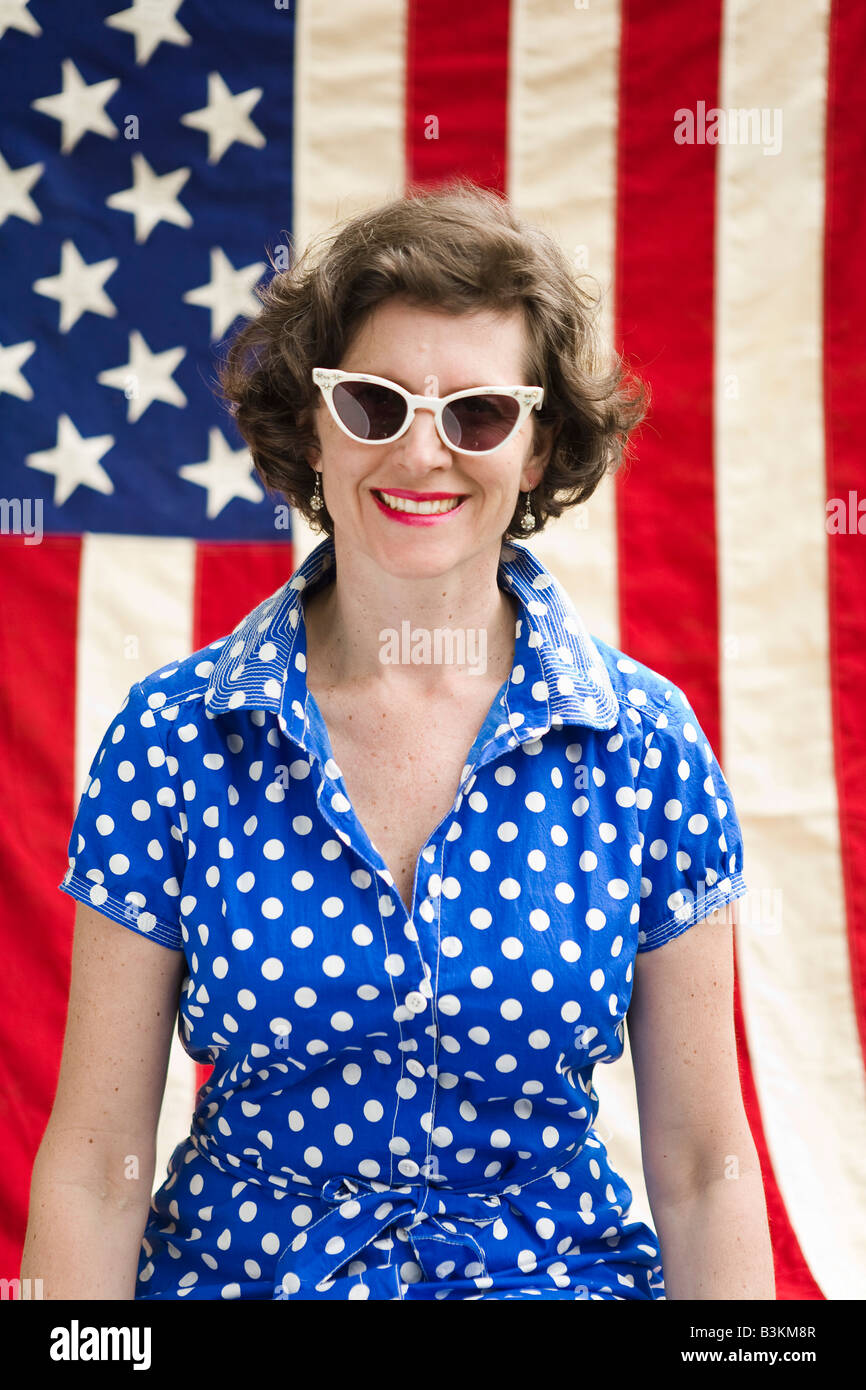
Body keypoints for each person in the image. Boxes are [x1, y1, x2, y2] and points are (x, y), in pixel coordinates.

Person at [22, 178, 775, 1300]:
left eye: (476, 414)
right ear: (313, 429)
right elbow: (92, 1171)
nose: (422, 455)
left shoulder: (645, 748)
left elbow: (704, 1171)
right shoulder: (173, 741)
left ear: (537, 447)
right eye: (374, 404)